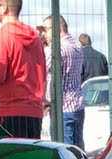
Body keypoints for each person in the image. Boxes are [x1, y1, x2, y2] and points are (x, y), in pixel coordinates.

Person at [0, 0, 46, 139]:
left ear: (4, 7)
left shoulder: (0, 37)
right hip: (35, 111)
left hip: (11, 111)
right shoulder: (35, 38)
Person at [39, 15, 85, 146]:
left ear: (57, 28)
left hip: (61, 109)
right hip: (77, 104)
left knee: (64, 151)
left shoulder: (55, 49)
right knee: (77, 148)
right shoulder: (77, 45)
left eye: (45, 29)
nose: (43, 34)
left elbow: (39, 69)